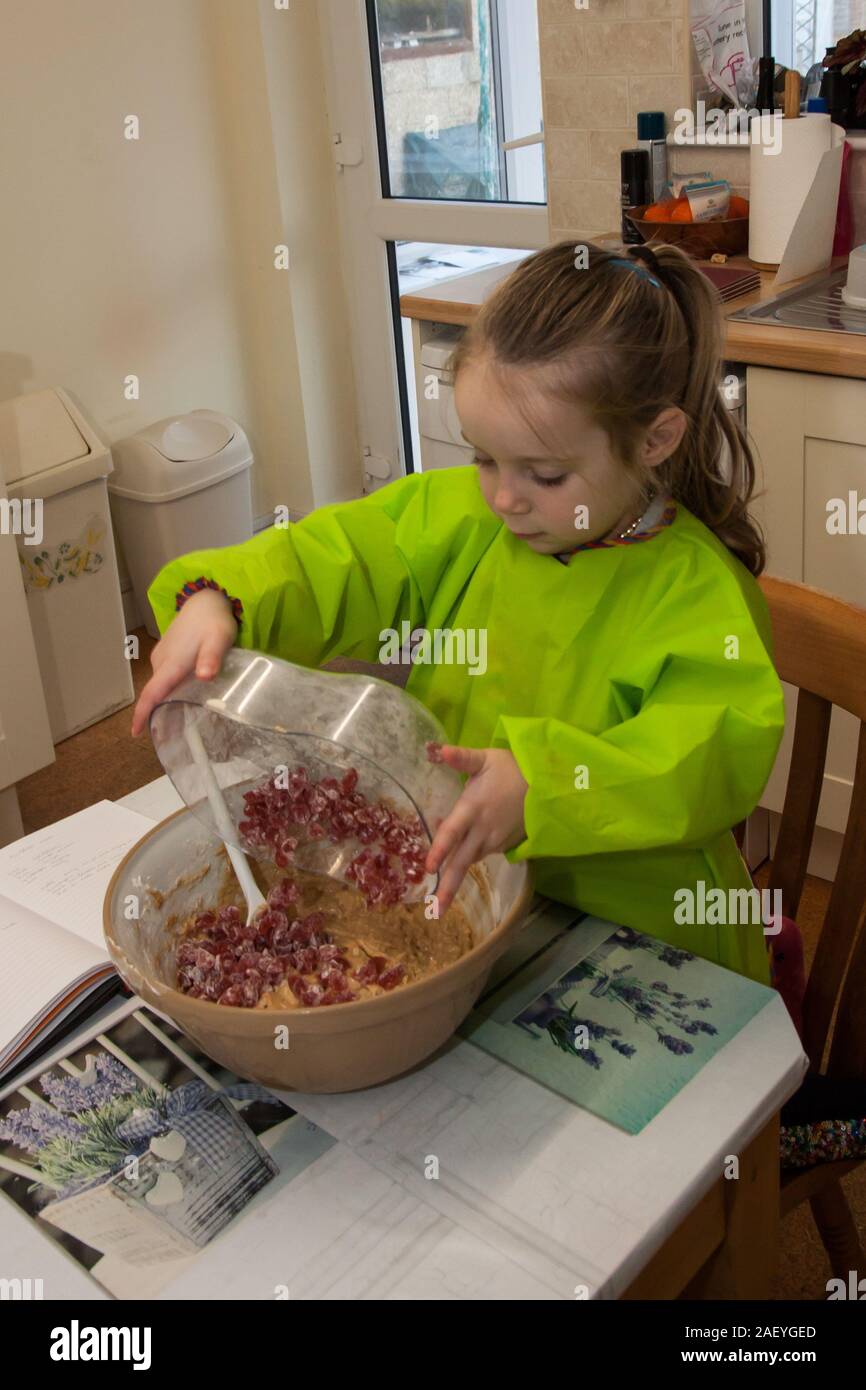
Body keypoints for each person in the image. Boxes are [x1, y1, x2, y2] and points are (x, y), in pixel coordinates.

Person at [133, 240, 785, 984]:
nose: (504, 498)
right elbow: (334, 554)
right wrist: (217, 597)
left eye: (543, 474)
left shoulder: (700, 595)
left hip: (633, 932)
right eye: (483, 458)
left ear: (656, 440)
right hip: (460, 893)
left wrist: (546, 784)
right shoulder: (461, 520)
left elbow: (703, 760)